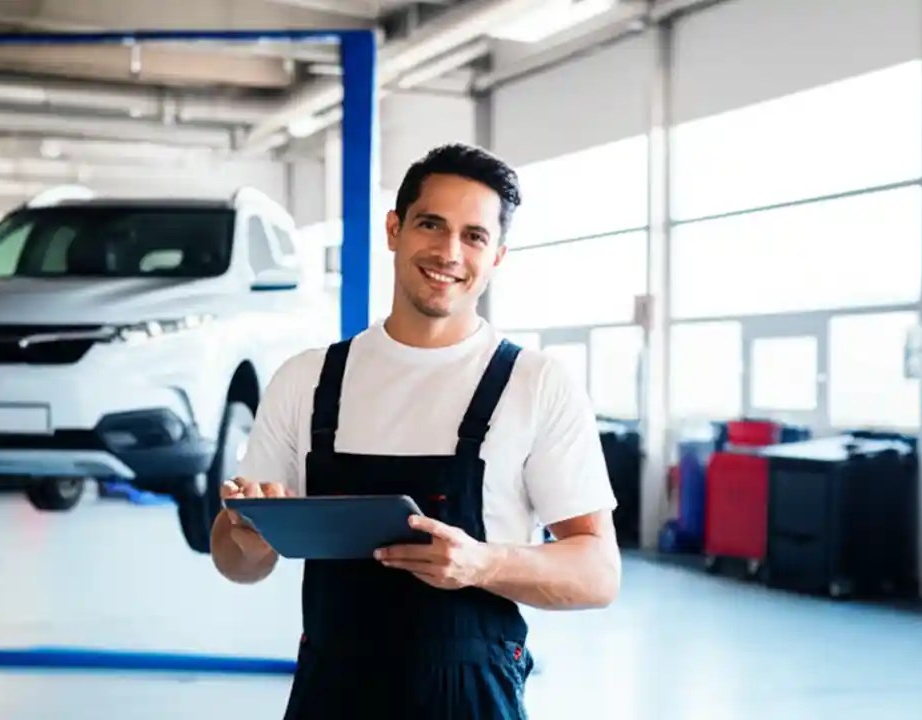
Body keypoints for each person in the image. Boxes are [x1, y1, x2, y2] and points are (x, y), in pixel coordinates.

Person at [210, 143, 621, 719]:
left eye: (474, 236)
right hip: (331, 695)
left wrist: (482, 564)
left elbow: (598, 574)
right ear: (394, 229)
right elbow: (234, 561)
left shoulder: (535, 384)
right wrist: (248, 538)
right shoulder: (307, 380)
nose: (450, 252)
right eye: (432, 224)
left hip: (472, 699)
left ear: (497, 255)